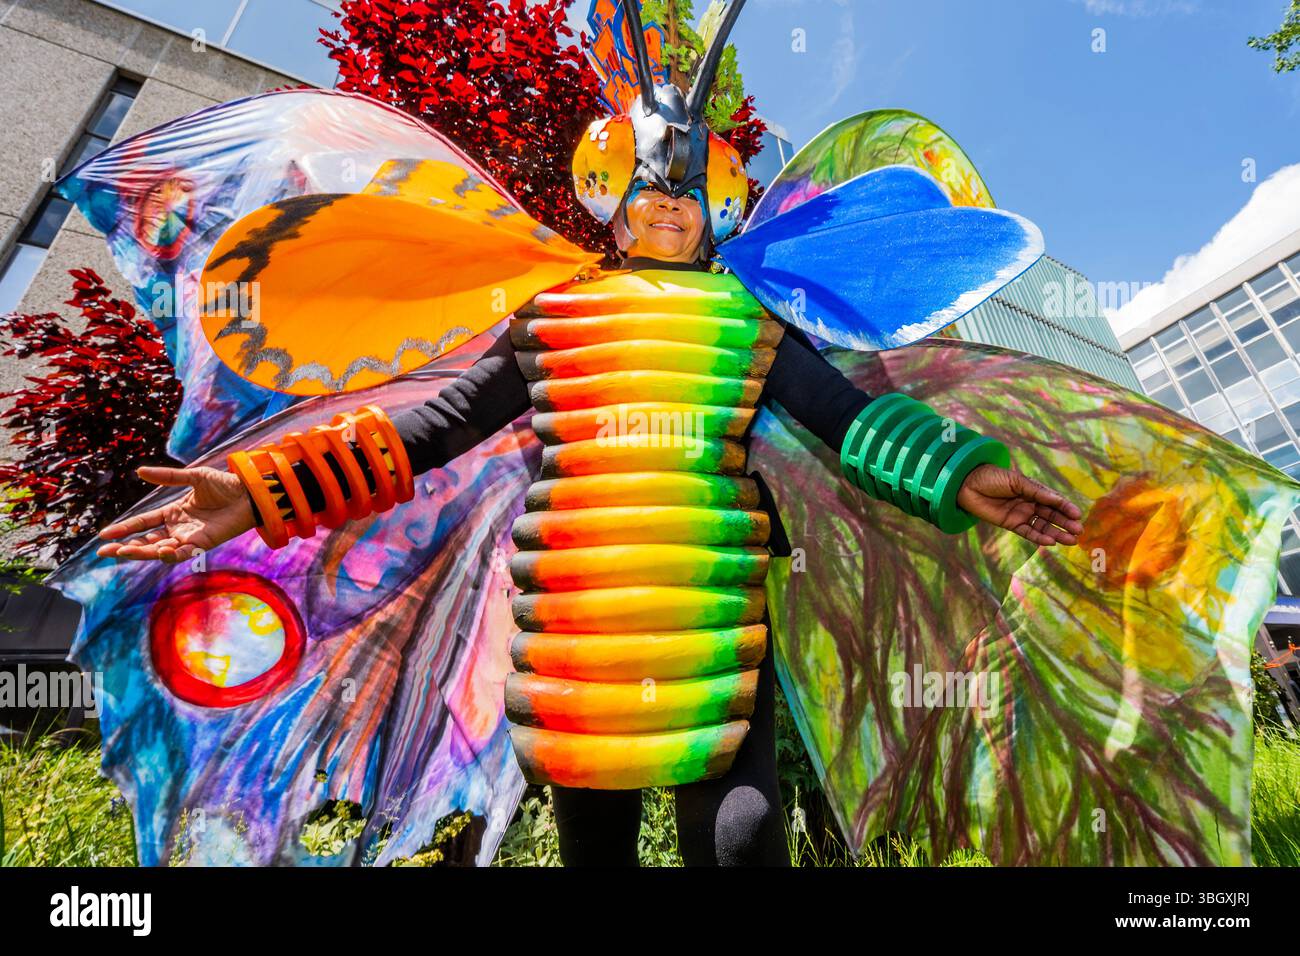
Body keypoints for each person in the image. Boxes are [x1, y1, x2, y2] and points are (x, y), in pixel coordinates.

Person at [97, 179, 1084, 866]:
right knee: (596, 843)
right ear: (613, 208)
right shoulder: (552, 315)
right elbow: (430, 428)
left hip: (712, 608)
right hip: (579, 616)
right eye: (647, 178)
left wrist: (959, 475)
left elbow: (844, 418)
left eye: (687, 182)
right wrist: (265, 486)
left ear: (715, 212)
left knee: (740, 838)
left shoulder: (750, 320)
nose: (666, 192)